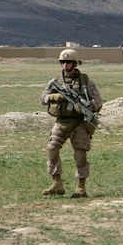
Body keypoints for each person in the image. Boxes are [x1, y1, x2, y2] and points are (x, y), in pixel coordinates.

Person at [41, 48, 103, 198]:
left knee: (80, 154)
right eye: (62, 62)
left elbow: (98, 101)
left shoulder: (85, 81)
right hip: (61, 122)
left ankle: (81, 187)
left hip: (79, 123)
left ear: (75, 63)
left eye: (68, 62)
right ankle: (57, 183)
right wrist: (55, 98)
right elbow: (43, 98)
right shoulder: (56, 82)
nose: (65, 65)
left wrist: (86, 106)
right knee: (52, 149)